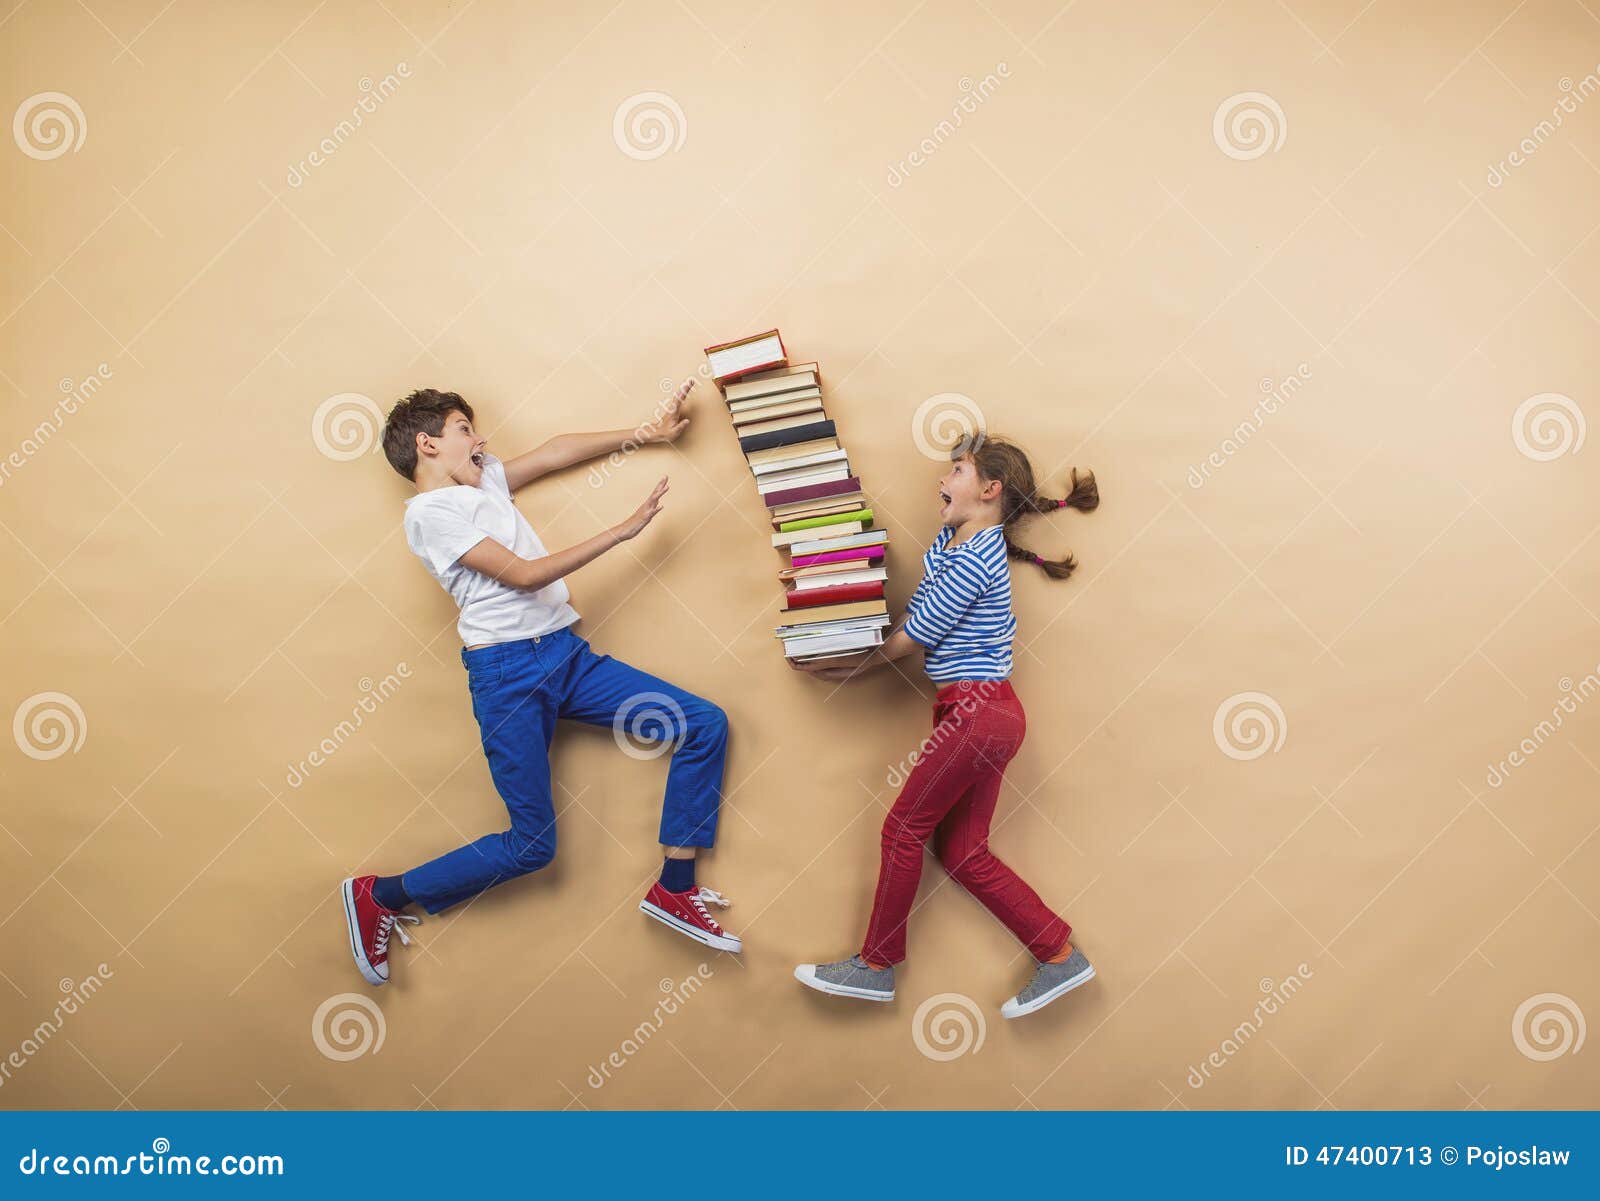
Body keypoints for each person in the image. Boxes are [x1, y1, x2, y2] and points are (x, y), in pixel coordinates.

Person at [340, 380, 740, 987]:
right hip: (506, 676)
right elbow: (524, 576)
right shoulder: (432, 514)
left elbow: (554, 453)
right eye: (464, 431)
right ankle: (383, 893)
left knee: (704, 724)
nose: (480, 441)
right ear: (427, 445)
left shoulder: (482, 481)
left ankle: (674, 887)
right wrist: (622, 531)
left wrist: (647, 433)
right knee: (533, 847)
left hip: (564, 657)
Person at [791, 434, 1098, 1018]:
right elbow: (936, 569)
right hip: (985, 712)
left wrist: (846, 669)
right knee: (961, 852)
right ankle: (1059, 955)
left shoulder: (977, 555)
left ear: (989, 489)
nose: (941, 479)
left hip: (978, 711)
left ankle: (876, 967)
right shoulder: (960, 546)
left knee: (902, 828)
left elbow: (916, 634)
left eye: (955, 470)